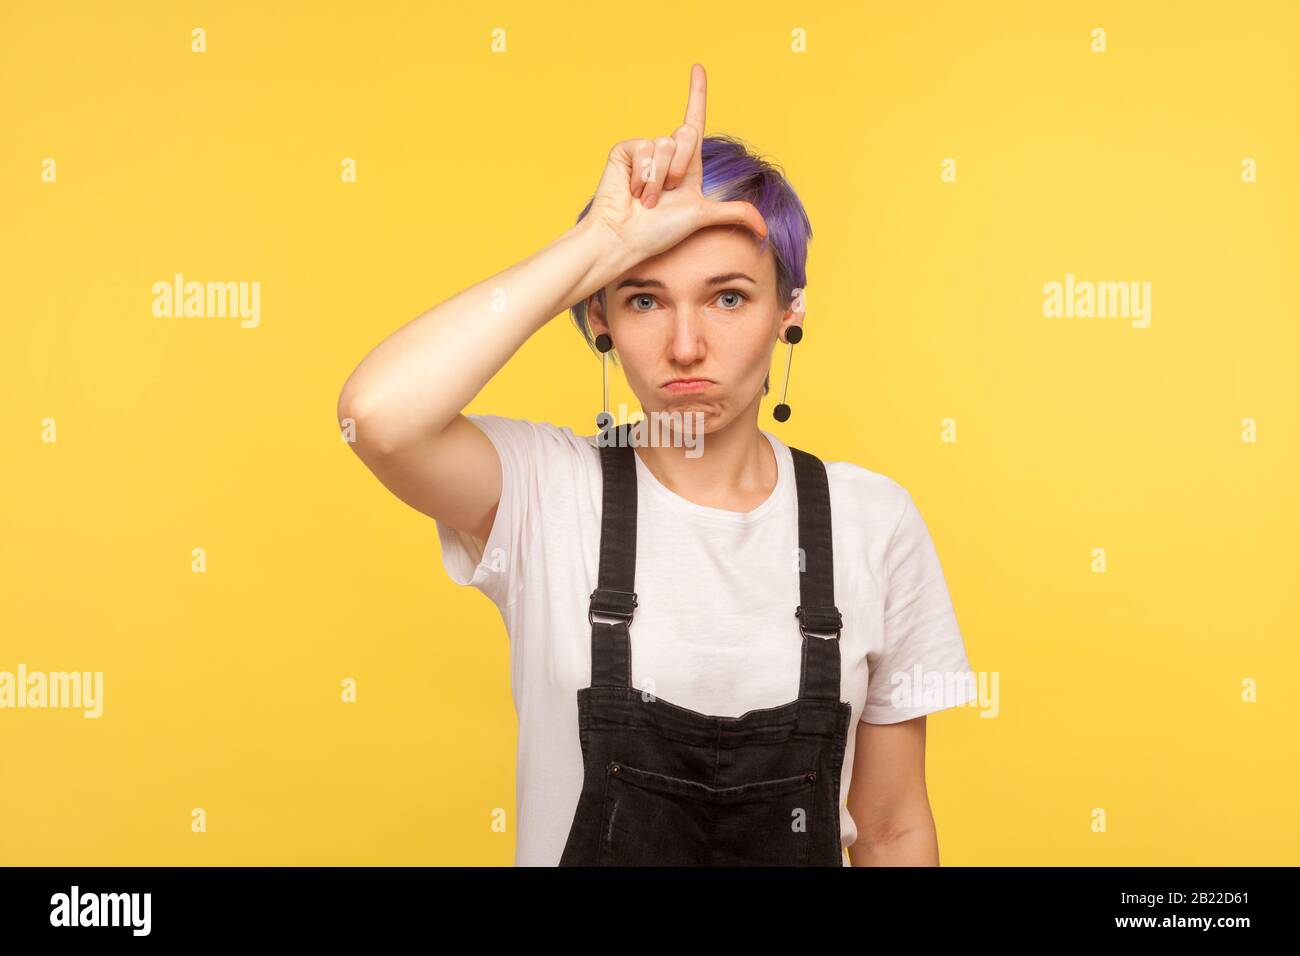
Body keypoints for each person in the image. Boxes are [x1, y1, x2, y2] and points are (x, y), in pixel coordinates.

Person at [337, 64, 976, 866]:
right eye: (643, 299)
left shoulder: (873, 523)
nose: (684, 346)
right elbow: (379, 418)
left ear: (790, 311)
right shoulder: (547, 492)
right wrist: (599, 245)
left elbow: (889, 830)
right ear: (598, 315)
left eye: (729, 296)